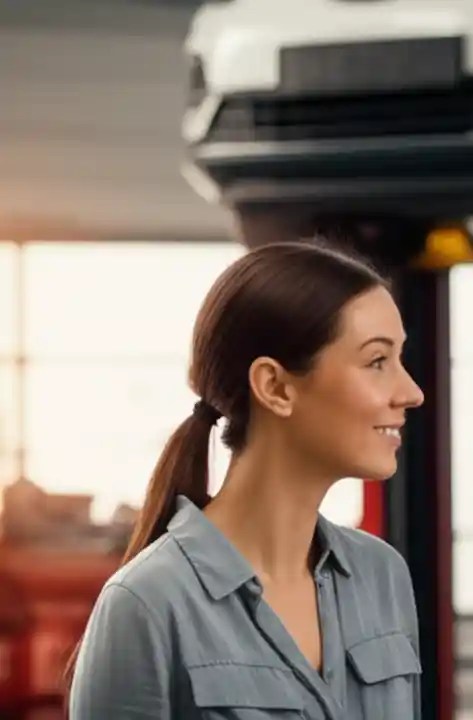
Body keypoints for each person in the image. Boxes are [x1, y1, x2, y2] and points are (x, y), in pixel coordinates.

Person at [66, 241, 426, 719]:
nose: (412, 392)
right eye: (377, 361)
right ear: (275, 387)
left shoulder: (383, 576)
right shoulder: (148, 603)